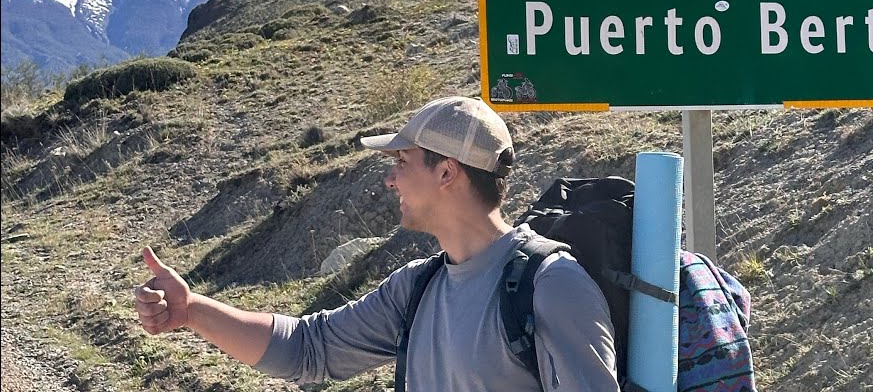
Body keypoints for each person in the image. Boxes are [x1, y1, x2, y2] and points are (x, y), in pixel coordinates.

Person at [134, 95, 619, 391]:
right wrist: (192, 311)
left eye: (402, 162)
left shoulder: (550, 286)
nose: (391, 180)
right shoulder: (416, 288)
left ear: (446, 172)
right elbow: (307, 349)